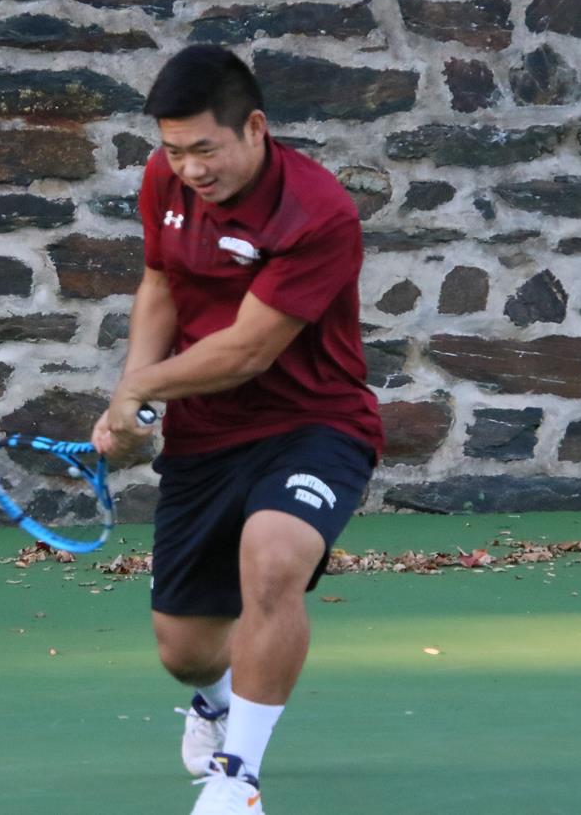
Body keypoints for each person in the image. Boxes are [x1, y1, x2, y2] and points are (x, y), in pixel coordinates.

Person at [91, 44, 384, 815]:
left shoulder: (317, 211)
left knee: (275, 556)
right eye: (172, 150)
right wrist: (134, 399)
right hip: (207, 434)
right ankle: (215, 701)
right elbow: (160, 283)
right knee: (184, 651)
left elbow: (251, 349)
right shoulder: (167, 181)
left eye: (204, 149)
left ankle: (238, 778)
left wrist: (144, 389)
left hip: (314, 422)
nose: (187, 168)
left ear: (255, 127)